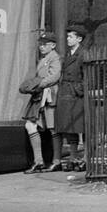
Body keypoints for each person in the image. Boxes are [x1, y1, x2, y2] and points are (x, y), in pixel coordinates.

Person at [21, 32, 62, 173]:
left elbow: (54, 76)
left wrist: (37, 84)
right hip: (40, 97)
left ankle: (56, 161)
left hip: (49, 96)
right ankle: (38, 161)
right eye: (40, 44)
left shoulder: (55, 58)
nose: (41, 47)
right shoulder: (44, 58)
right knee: (30, 125)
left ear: (53, 45)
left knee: (52, 128)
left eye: (45, 44)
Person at [51, 25, 87, 171]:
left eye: (71, 37)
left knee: (81, 126)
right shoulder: (68, 54)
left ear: (79, 39)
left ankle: (84, 158)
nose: (68, 39)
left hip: (75, 93)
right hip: (66, 93)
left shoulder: (83, 53)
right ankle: (72, 157)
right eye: (68, 37)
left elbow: (87, 75)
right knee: (69, 127)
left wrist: (79, 89)